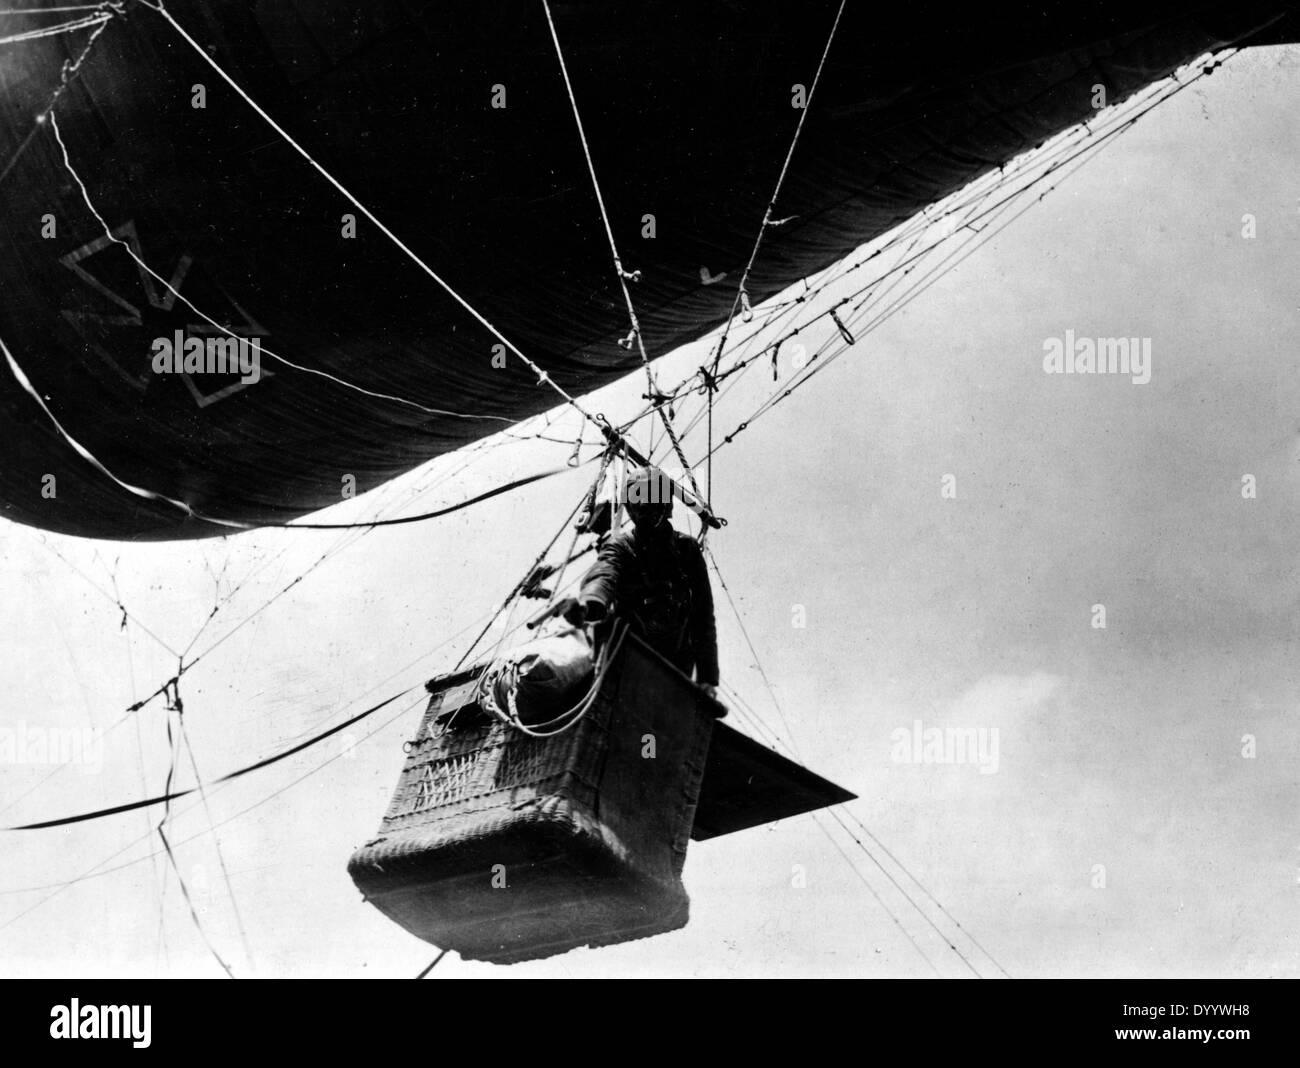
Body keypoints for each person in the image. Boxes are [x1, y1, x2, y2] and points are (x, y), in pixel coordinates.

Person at [565, 466, 719, 700]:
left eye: (651, 499)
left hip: (675, 664)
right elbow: (604, 574)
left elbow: (703, 616)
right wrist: (589, 605)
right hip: (628, 655)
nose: (644, 508)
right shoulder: (621, 546)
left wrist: (707, 679)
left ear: (666, 505)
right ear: (629, 509)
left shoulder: (687, 550)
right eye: (637, 502)